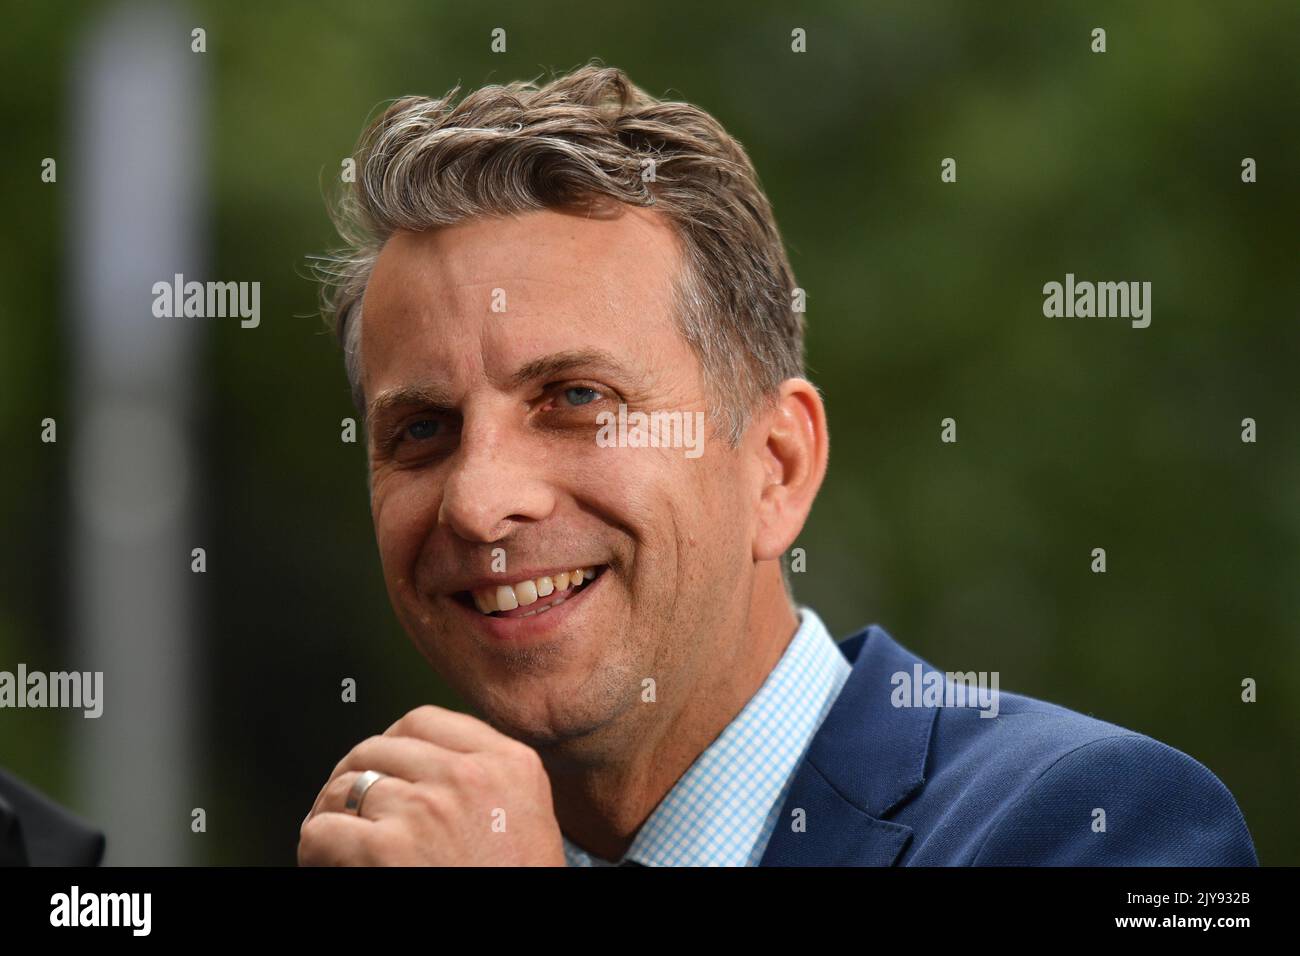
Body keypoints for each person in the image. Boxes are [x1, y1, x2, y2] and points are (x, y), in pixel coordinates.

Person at [298, 63, 1257, 866]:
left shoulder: (1099, 825)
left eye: (577, 400)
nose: (479, 501)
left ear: (777, 468)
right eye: (423, 430)